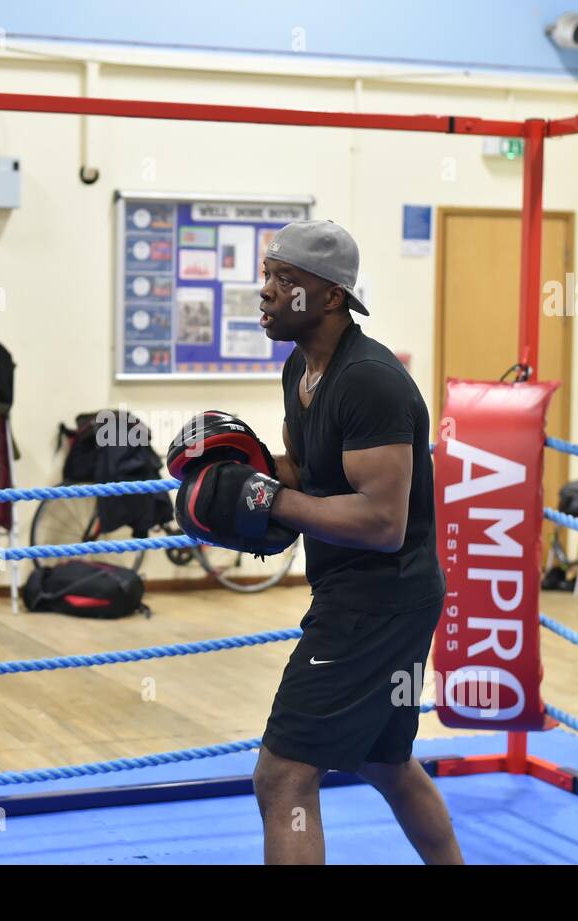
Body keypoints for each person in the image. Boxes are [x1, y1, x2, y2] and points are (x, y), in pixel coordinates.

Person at [170, 220, 463, 865]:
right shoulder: (301, 367)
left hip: (377, 602)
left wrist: (268, 499)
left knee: (284, 776)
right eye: (267, 276)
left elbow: (383, 523)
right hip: (369, 596)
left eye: (285, 280)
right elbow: (309, 474)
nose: (266, 292)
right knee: (385, 762)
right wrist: (241, 473)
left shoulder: (370, 382)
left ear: (331, 296)